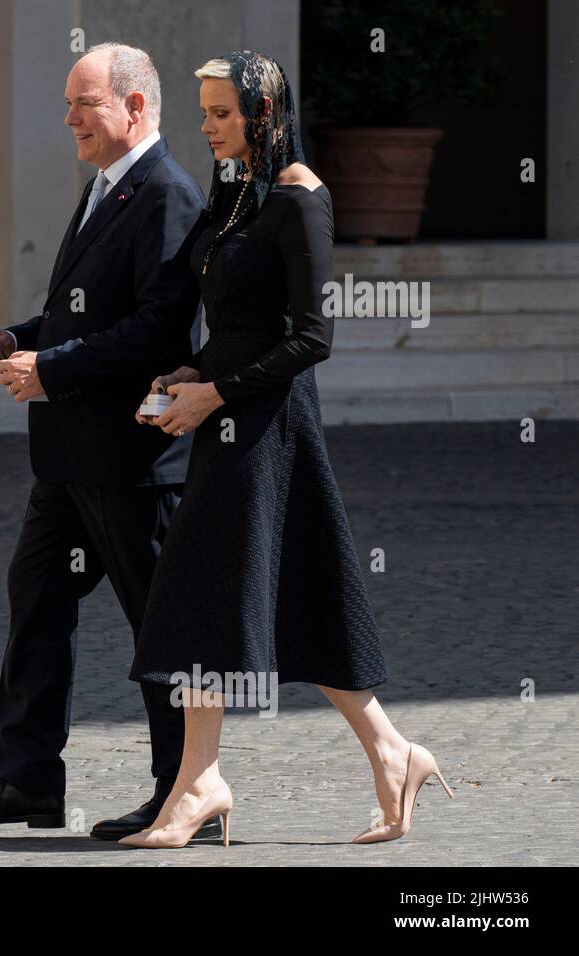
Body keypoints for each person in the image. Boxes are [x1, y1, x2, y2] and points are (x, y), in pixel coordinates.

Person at [119, 51, 453, 849]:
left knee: (208, 583)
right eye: (201, 113)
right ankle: (387, 752)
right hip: (226, 412)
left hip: (268, 426)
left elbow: (311, 338)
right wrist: (195, 369)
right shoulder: (236, 195)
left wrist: (216, 393)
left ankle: (203, 781)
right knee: (287, 591)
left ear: (264, 114)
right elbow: (238, 316)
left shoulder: (302, 198)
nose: (206, 128)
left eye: (222, 114)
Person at [0, 42, 218, 839]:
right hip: (67, 463)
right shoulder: (107, 188)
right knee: (36, 606)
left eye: (82, 105)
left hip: (131, 461)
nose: (67, 120)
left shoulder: (169, 195)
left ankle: (184, 793)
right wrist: (17, 335)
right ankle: (27, 784)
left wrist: (49, 367)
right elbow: (85, 314)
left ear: (134, 107)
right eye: (68, 103)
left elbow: (159, 330)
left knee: (159, 630)